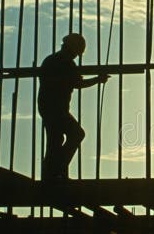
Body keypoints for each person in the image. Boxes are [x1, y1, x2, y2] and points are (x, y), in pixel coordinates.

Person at [38, 33, 109, 180]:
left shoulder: (52, 60)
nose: (77, 56)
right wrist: (97, 79)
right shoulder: (64, 63)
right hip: (56, 109)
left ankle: (52, 175)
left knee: (55, 141)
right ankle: (55, 170)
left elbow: (75, 82)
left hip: (48, 107)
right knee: (76, 134)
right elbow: (78, 84)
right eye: (77, 52)